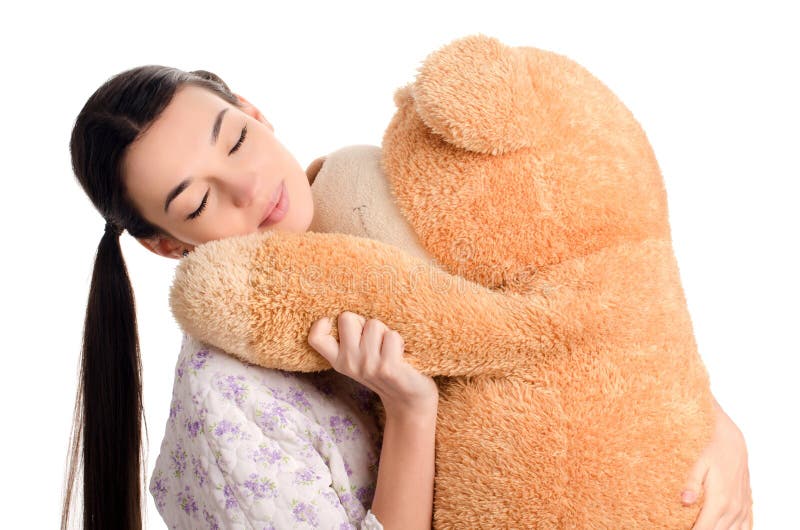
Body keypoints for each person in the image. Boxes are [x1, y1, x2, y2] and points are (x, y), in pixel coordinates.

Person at [63, 65, 752, 529]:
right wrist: (409, 410)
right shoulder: (229, 407)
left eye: (237, 140)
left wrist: (712, 426)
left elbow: (568, 305)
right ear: (168, 245)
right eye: (198, 201)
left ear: (256, 114)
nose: (246, 188)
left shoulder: (371, 204)